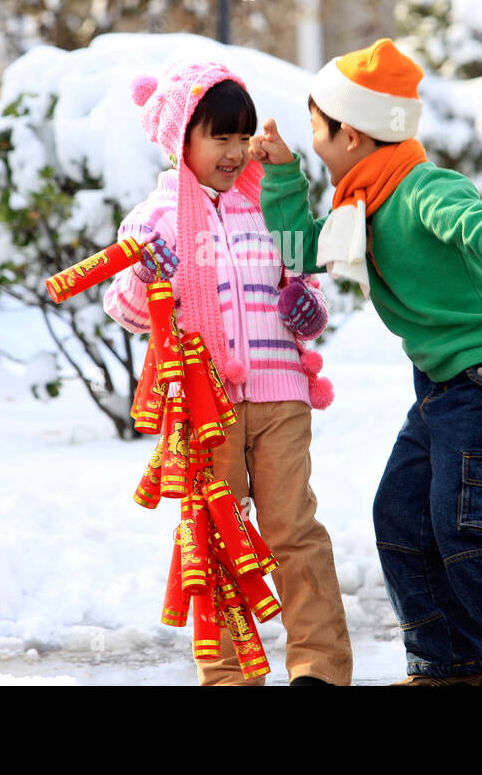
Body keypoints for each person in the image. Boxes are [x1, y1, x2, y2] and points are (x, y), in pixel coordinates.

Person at [250, 38, 482, 686]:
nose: (315, 143)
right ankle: (449, 666)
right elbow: (300, 255)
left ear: (351, 135)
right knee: (402, 516)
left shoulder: (420, 189)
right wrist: (279, 174)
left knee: (466, 525)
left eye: (318, 132)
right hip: (444, 387)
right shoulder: (361, 200)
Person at [103, 58, 353, 686]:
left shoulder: (265, 207)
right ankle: (231, 674)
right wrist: (146, 271)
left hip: (280, 396)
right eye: (220, 137)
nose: (236, 152)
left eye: (243, 138)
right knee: (216, 543)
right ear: (182, 135)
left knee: (293, 530)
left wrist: (305, 305)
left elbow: (305, 289)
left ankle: (319, 669)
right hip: (204, 410)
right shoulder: (155, 219)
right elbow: (127, 312)